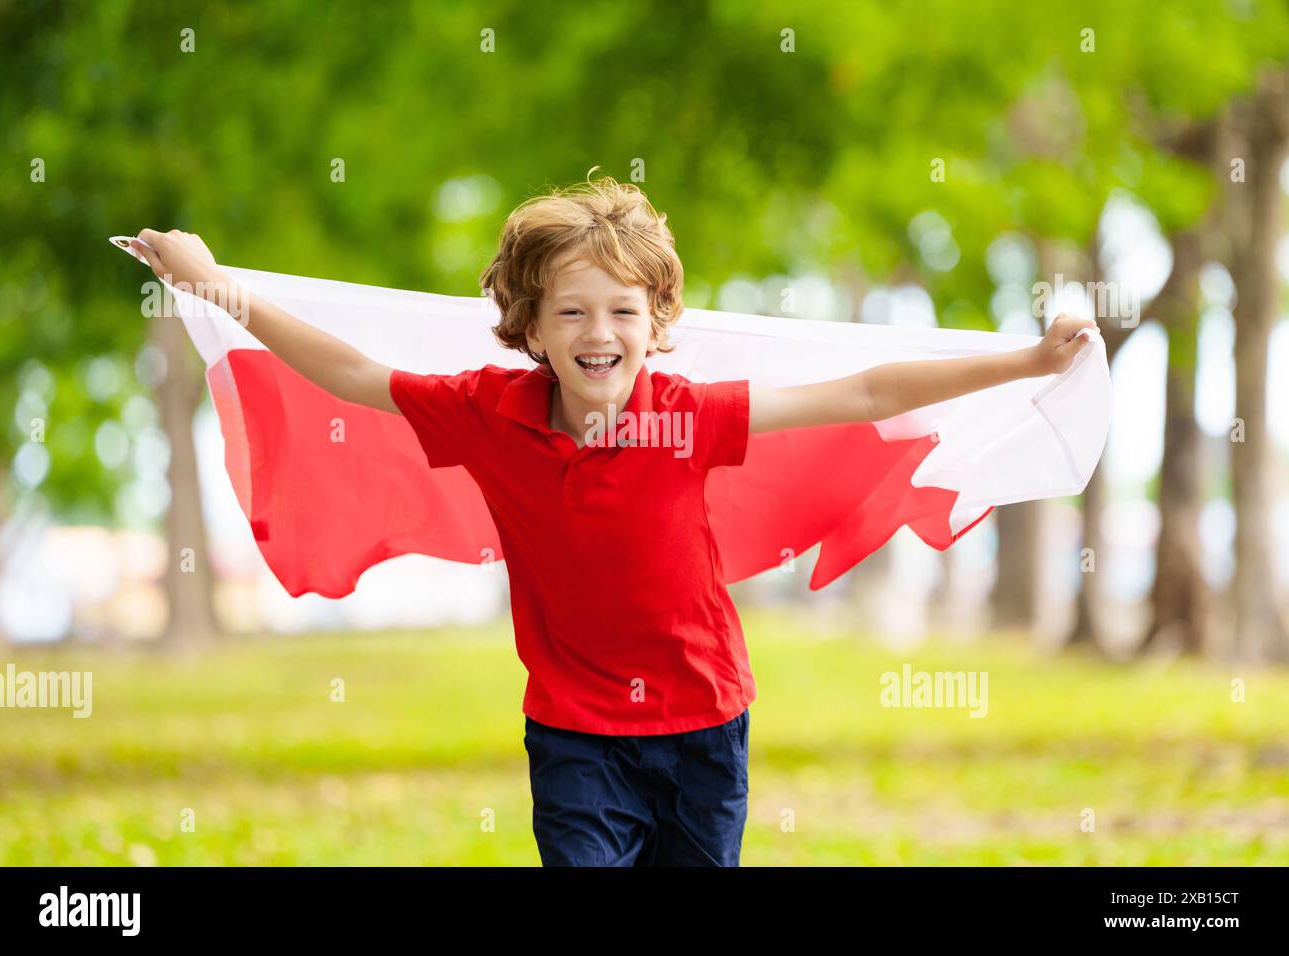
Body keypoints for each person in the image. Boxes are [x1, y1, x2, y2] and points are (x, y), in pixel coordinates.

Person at [131, 172, 1096, 866]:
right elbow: (348, 373)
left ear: (657, 322)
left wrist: (1027, 361)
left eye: (624, 313)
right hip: (575, 734)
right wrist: (213, 280)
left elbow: (868, 389)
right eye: (573, 313)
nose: (601, 335)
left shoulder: (688, 412)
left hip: (705, 726)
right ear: (531, 328)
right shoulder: (485, 411)